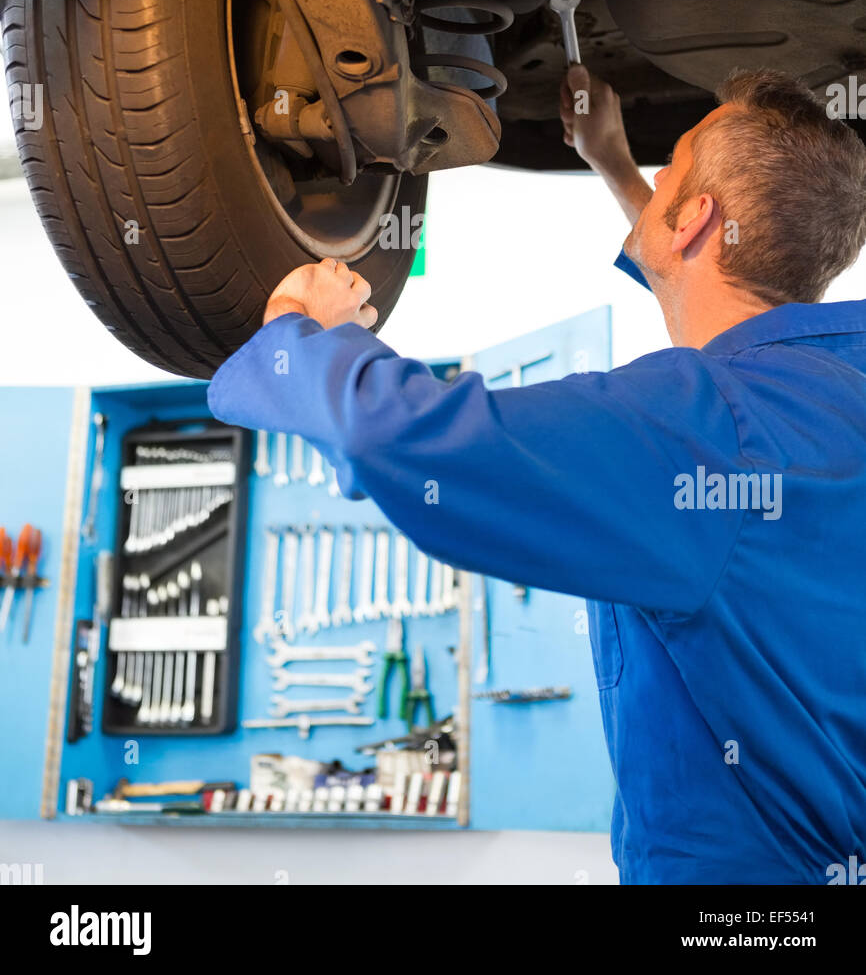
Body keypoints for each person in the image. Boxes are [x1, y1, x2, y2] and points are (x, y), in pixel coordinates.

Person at [208, 66, 866, 885]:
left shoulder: (705, 429)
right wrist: (619, 169)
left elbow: (402, 439)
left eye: (670, 177)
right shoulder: (829, 394)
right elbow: (726, 295)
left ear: (695, 219)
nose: (656, 188)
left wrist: (298, 329)